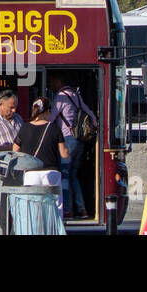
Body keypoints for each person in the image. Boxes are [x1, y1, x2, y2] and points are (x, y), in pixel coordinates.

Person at [48, 74, 99, 219]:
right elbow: (90, 114)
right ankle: (82, 210)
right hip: (79, 141)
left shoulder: (61, 97)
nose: (51, 85)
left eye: (52, 81)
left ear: (59, 81)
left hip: (67, 140)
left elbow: (51, 120)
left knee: (64, 175)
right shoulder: (75, 96)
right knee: (73, 177)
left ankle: (67, 210)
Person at [14, 97, 69, 171]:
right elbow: (64, 154)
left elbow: (15, 150)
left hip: (29, 173)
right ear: (47, 111)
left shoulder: (24, 128)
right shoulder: (54, 128)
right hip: (49, 173)